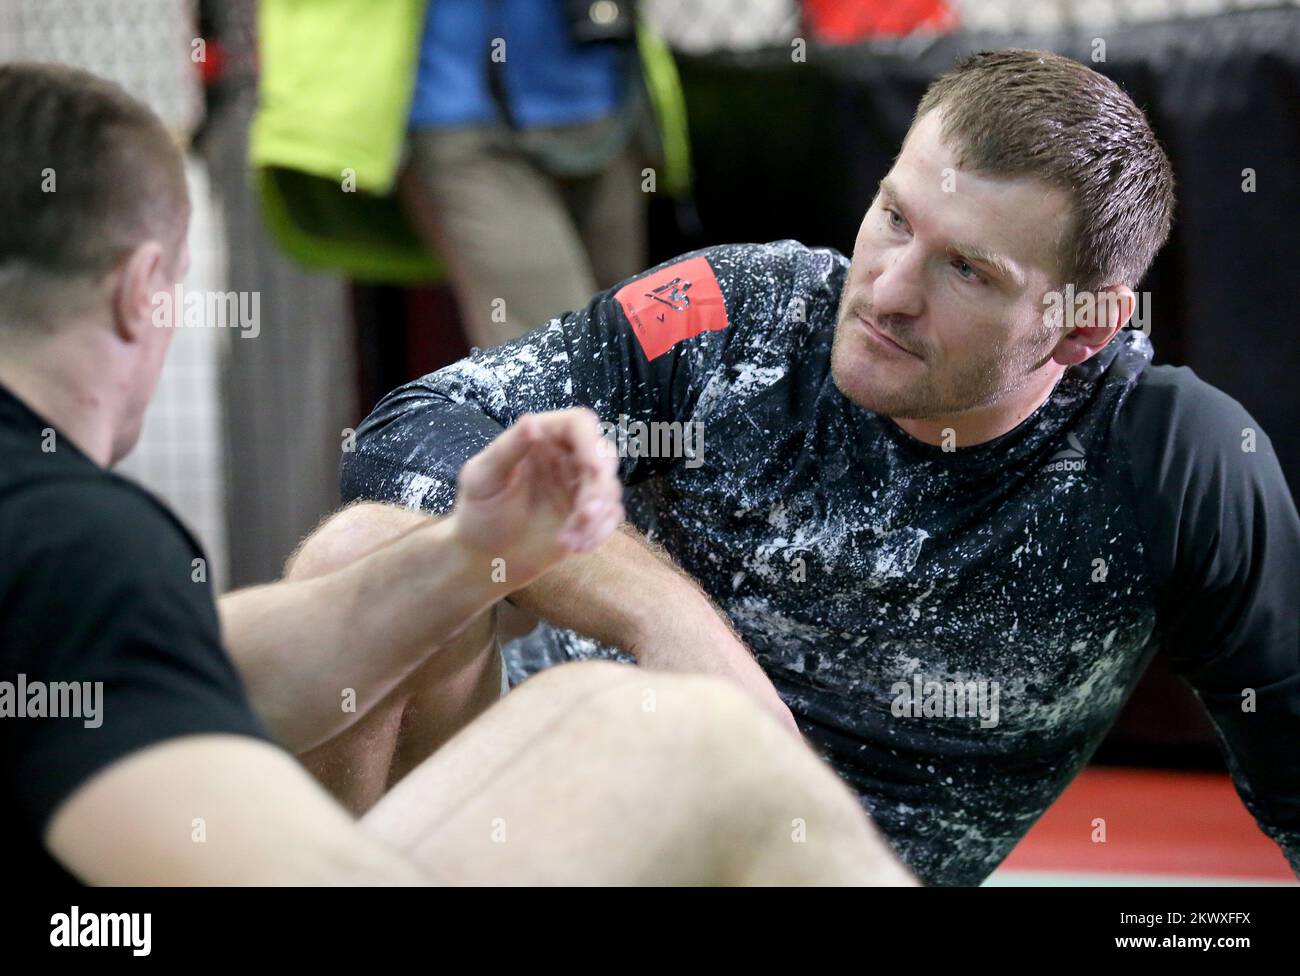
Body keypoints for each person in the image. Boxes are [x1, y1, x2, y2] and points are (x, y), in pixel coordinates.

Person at [341, 49, 1300, 886]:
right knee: (370, 546)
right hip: (529, 788)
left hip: (812, 868)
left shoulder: (1172, 459)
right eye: (893, 217)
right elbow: (412, 432)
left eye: (967, 270)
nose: (885, 289)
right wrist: (664, 615)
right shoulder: (741, 310)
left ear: (1082, 329)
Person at [0, 62, 916, 886]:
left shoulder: (64, 561)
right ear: (142, 290)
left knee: (370, 550)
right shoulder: (69, 540)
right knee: (704, 747)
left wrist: (470, 554)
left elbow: (180, 656)